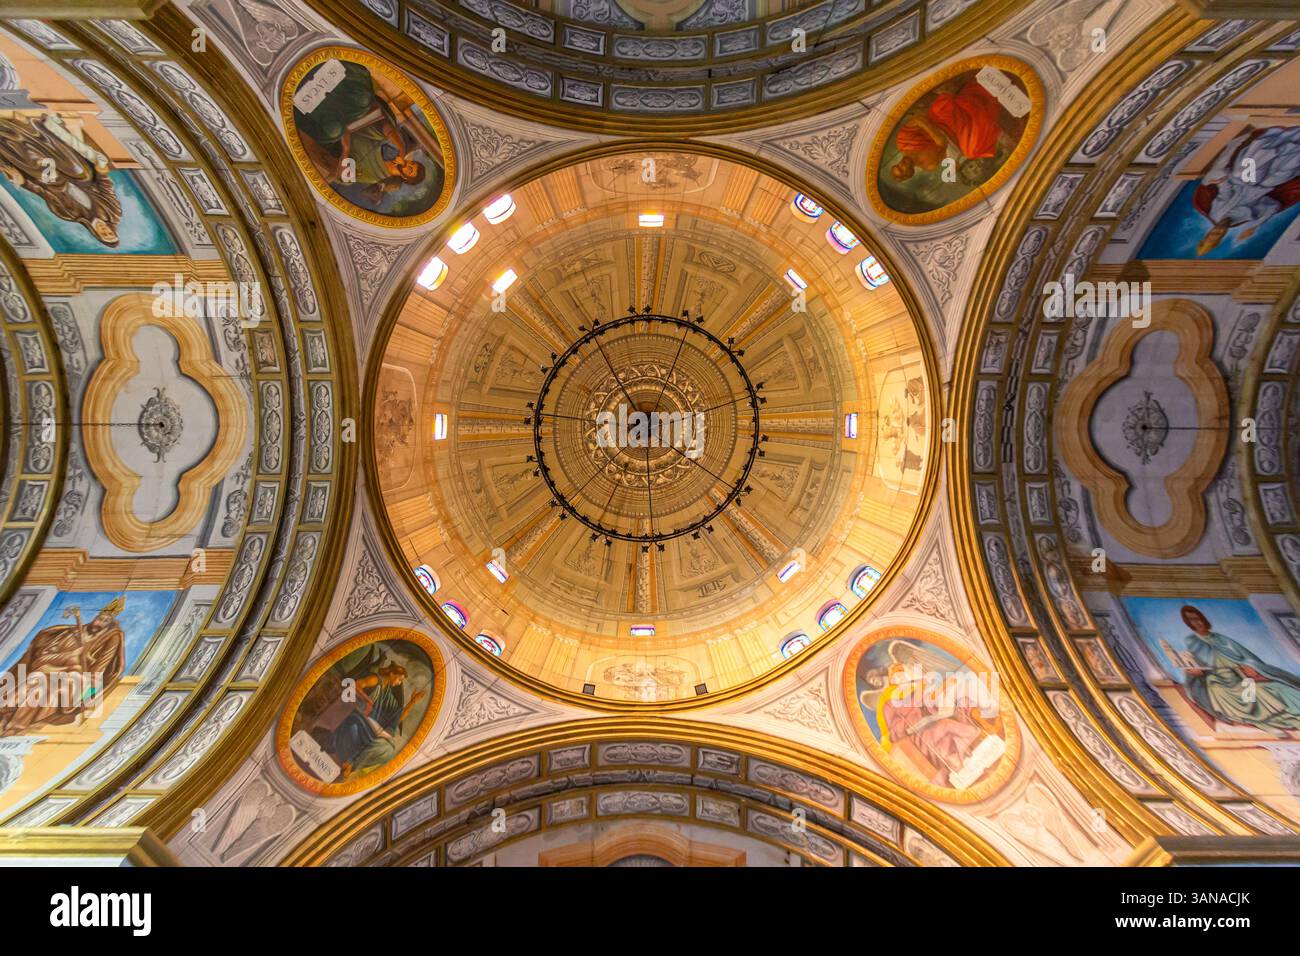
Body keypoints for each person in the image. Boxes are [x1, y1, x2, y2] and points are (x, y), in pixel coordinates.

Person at [0, 597, 126, 736]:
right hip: (48, 671)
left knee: (48, 688)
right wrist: (70, 656)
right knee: (34, 681)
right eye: (99, 618)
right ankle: (8, 715)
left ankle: (16, 726)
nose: (99, 622)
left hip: (77, 679)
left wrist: (89, 693)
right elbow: (43, 658)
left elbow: (99, 670)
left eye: (105, 621)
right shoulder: (70, 634)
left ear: (109, 626)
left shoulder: (110, 640)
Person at [0, 112, 122, 246]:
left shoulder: (68, 214)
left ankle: (9, 135)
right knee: (76, 168)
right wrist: (102, 173)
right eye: (110, 233)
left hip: (53, 183)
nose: (105, 231)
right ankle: (30, 128)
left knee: (40, 167)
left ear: (96, 234)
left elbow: (43, 193)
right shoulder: (113, 212)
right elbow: (106, 189)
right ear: (113, 230)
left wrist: (23, 182)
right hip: (81, 179)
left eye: (103, 235)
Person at [1177, 604, 1300, 734]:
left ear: (1202, 619)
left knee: (1274, 688)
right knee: (1249, 694)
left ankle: (1286, 720)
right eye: (1191, 620)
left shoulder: (1221, 639)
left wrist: (1250, 666)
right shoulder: (1192, 642)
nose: (1196, 622)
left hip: (1241, 677)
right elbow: (1195, 665)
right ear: (1188, 623)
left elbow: (1246, 658)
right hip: (1218, 682)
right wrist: (1197, 672)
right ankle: (1267, 725)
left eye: (1197, 618)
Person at [1192, 125, 1300, 256]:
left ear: (1209, 232)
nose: (1219, 230)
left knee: (1246, 174)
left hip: (1241, 180)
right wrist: (1255, 225)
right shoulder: (1246, 218)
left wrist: (1221, 182)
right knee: (1289, 166)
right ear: (1223, 236)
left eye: (1213, 233)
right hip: (1264, 186)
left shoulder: (1216, 212)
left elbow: (1225, 192)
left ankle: (1276, 142)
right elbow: (1273, 205)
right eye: (1219, 235)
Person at [324, 660, 426, 778]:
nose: (399, 683)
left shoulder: (388, 694)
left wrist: (412, 702)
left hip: (368, 727)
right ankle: (349, 763)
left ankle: (351, 764)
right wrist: (366, 702)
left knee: (388, 750)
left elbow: (397, 717)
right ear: (392, 674)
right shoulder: (375, 680)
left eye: (401, 681)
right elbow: (355, 685)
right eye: (399, 679)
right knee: (359, 732)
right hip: (356, 719)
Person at [891, 76, 1006, 182]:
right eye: (902, 169)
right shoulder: (929, 165)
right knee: (974, 149)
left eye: (898, 166)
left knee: (965, 116)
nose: (901, 164)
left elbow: (917, 119)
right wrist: (954, 163)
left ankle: (990, 87)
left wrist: (935, 134)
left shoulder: (902, 142)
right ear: (909, 174)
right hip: (955, 136)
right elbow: (944, 150)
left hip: (939, 120)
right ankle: (1001, 103)